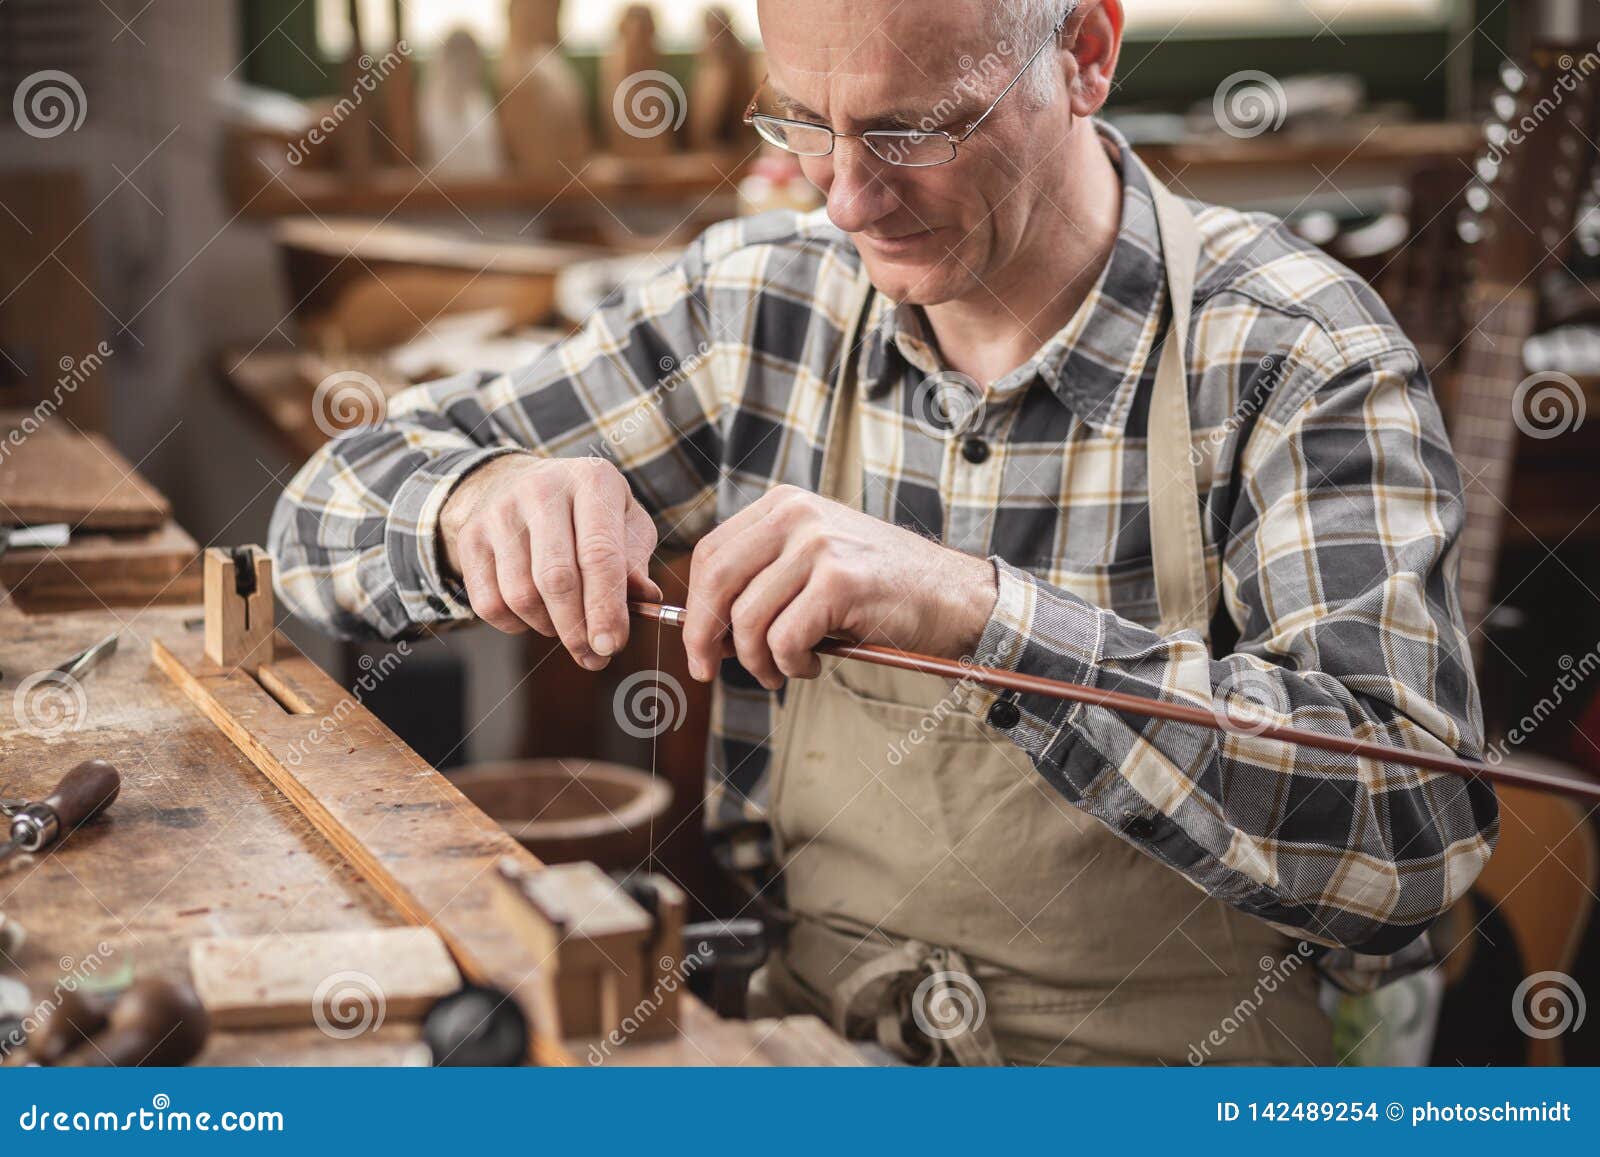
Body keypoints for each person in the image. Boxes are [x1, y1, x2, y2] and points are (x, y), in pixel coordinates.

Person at [270, 0, 1495, 1065]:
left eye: (914, 127)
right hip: (820, 1051)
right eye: (803, 118)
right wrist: (476, 499)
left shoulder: (1295, 355)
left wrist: (993, 620)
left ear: (1085, 51)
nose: (847, 195)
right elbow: (318, 518)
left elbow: (1409, 851)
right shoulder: (762, 306)